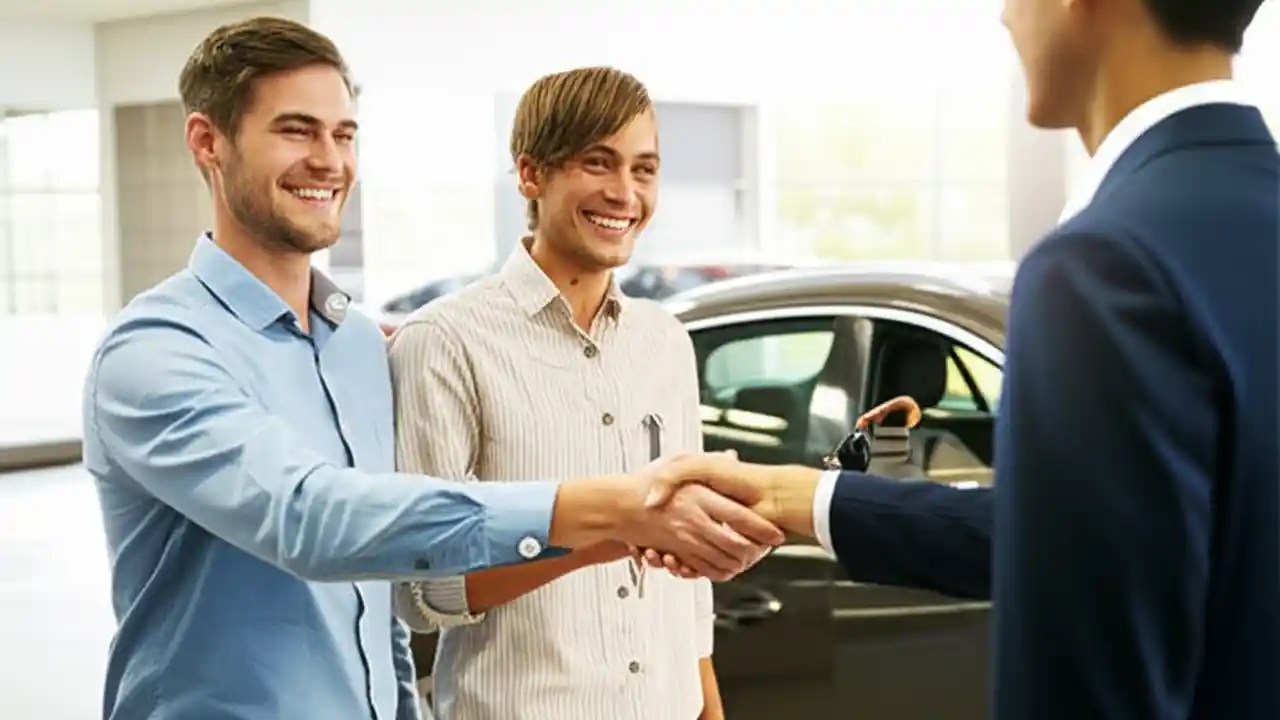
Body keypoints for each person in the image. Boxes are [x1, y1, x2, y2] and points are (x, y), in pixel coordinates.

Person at [82, 18, 782, 720]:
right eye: (296, 131)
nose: (329, 160)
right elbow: (313, 519)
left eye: (345, 134)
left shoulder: (353, 346)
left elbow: (379, 594)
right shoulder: (155, 351)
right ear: (208, 142)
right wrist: (611, 514)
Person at [647, 0, 1279, 717]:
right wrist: (800, 496)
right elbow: (1116, 541)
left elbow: (1089, 671)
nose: (1006, 19)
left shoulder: (1104, 266)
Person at [386, 66, 753, 720]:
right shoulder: (444, 341)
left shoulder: (665, 342)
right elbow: (425, 590)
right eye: (597, 163)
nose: (624, 193)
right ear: (530, 174)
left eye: (644, 169)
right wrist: (607, 531)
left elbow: (687, 599)